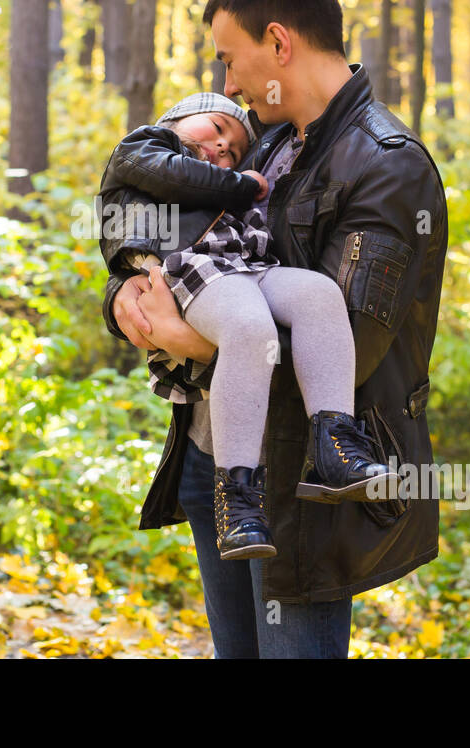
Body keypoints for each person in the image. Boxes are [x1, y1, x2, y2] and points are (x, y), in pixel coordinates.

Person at [101, 0, 448, 659]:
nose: (225, 85)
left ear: (280, 45)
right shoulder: (256, 139)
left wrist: (193, 337)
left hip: (299, 489)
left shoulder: (386, 164)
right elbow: (164, 230)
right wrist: (124, 295)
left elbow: (350, 343)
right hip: (211, 459)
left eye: (232, 60)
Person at [96, 92, 396, 562]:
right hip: (186, 267)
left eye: (234, 149)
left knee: (319, 296)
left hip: (243, 266)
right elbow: (174, 176)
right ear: (178, 117)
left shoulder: (226, 177)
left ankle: (335, 441)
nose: (220, 147)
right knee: (250, 327)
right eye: (215, 128)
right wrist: (240, 181)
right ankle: (237, 498)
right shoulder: (142, 147)